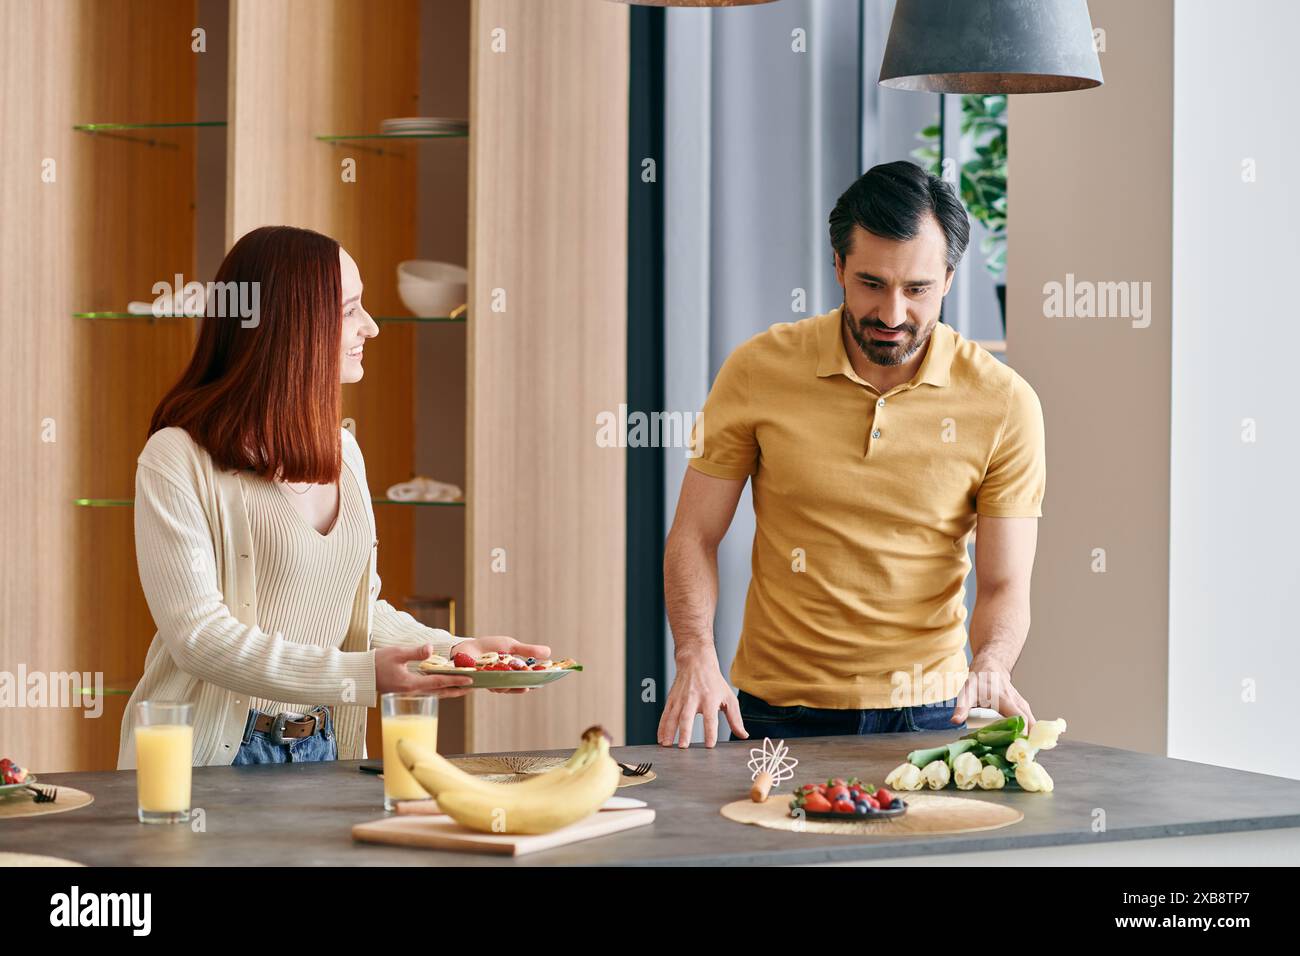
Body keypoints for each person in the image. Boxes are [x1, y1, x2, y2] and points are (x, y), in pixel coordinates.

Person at [117, 225, 547, 767]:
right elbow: (199, 637)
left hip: (323, 746)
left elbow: (355, 612)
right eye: (349, 309)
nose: (371, 326)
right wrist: (363, 677)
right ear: (289, 325)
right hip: (209, 757)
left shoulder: (344, 451)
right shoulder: (177, 457)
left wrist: (457, 654)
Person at [658, 161, 1045, 748]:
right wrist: (694, 656)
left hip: (931, 712)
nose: (892, 315)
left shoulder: (1004, 402)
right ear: (838, 266)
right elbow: (693, 534)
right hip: (775, 710)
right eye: (872, 283)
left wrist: (992, 663)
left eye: (916, 290)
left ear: (948, 278)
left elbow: (1004, 582)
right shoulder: (759, 369)